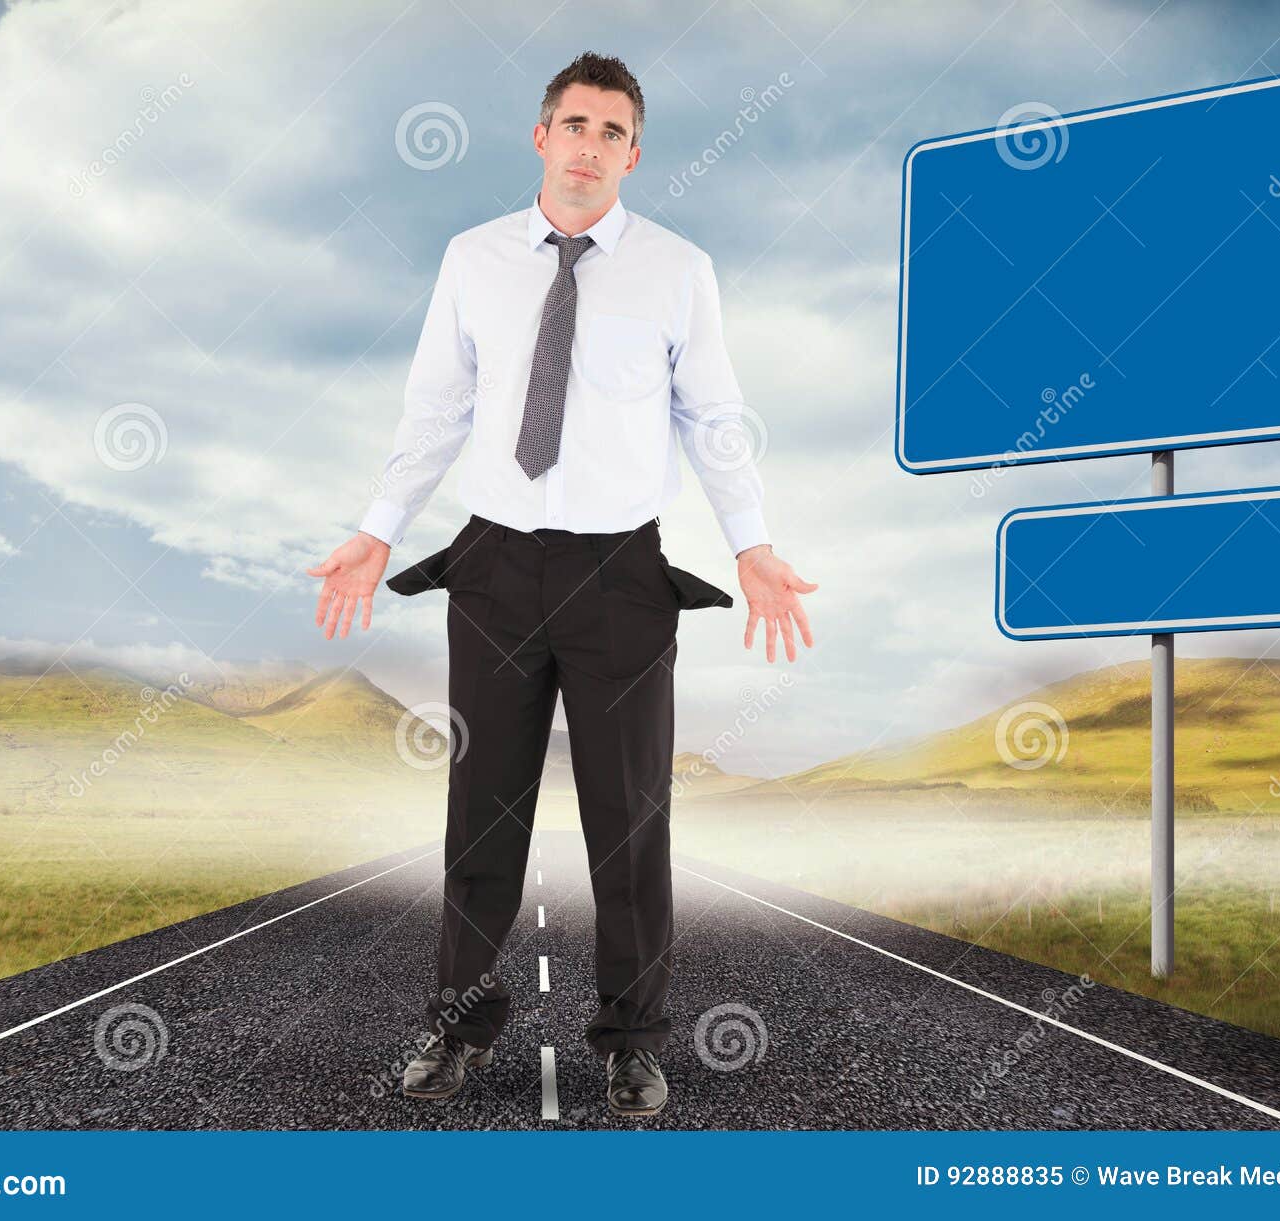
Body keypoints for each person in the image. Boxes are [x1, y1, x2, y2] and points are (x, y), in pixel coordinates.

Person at [307, 52, 816, 1119]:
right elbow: (437, 408)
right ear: (541, 137)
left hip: (620, 574)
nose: (590, 147)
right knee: (481, 816)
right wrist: (377, 528)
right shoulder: (473, 259)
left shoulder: (678, 270)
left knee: (629, 824)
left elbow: (713, 418)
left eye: (612, 132)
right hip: (494, 566)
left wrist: (752, 543)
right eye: (575, 125)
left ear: (635, 154)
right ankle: (456, 1030)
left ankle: (631, 1042)